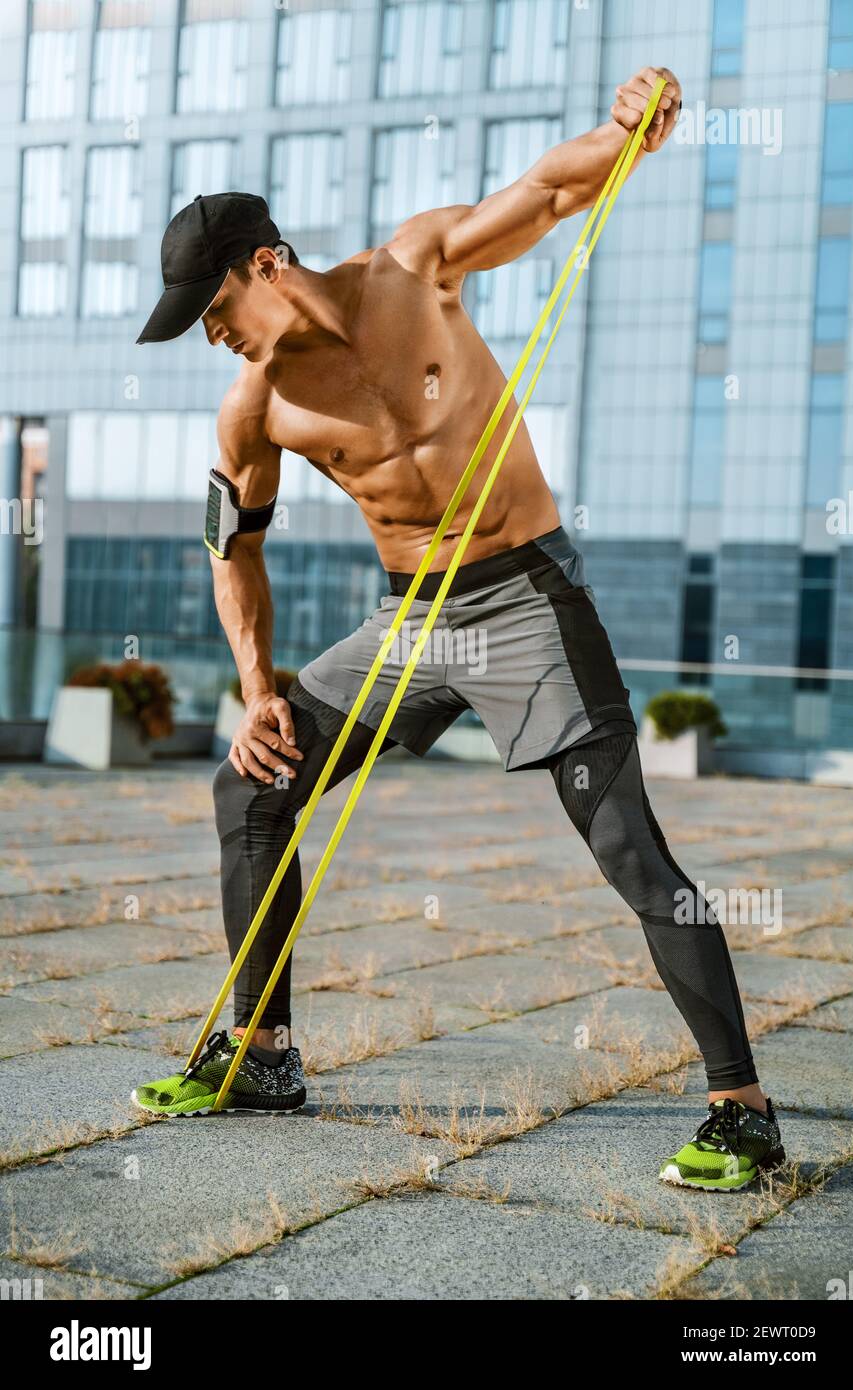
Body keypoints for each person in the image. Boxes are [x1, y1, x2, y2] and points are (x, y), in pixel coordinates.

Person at [131, 67, 784, 1192]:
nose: (211, 340)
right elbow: (231, 549)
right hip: (407, 622)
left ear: (265, 266)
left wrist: (622, 131)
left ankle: (741, 1107)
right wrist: (257, 691)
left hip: (524, 598)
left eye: (213, 312)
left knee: (627, 846)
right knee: (252, 786)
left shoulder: (414, 272)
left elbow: (541, 195)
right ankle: (266, 1054)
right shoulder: (254, 405)